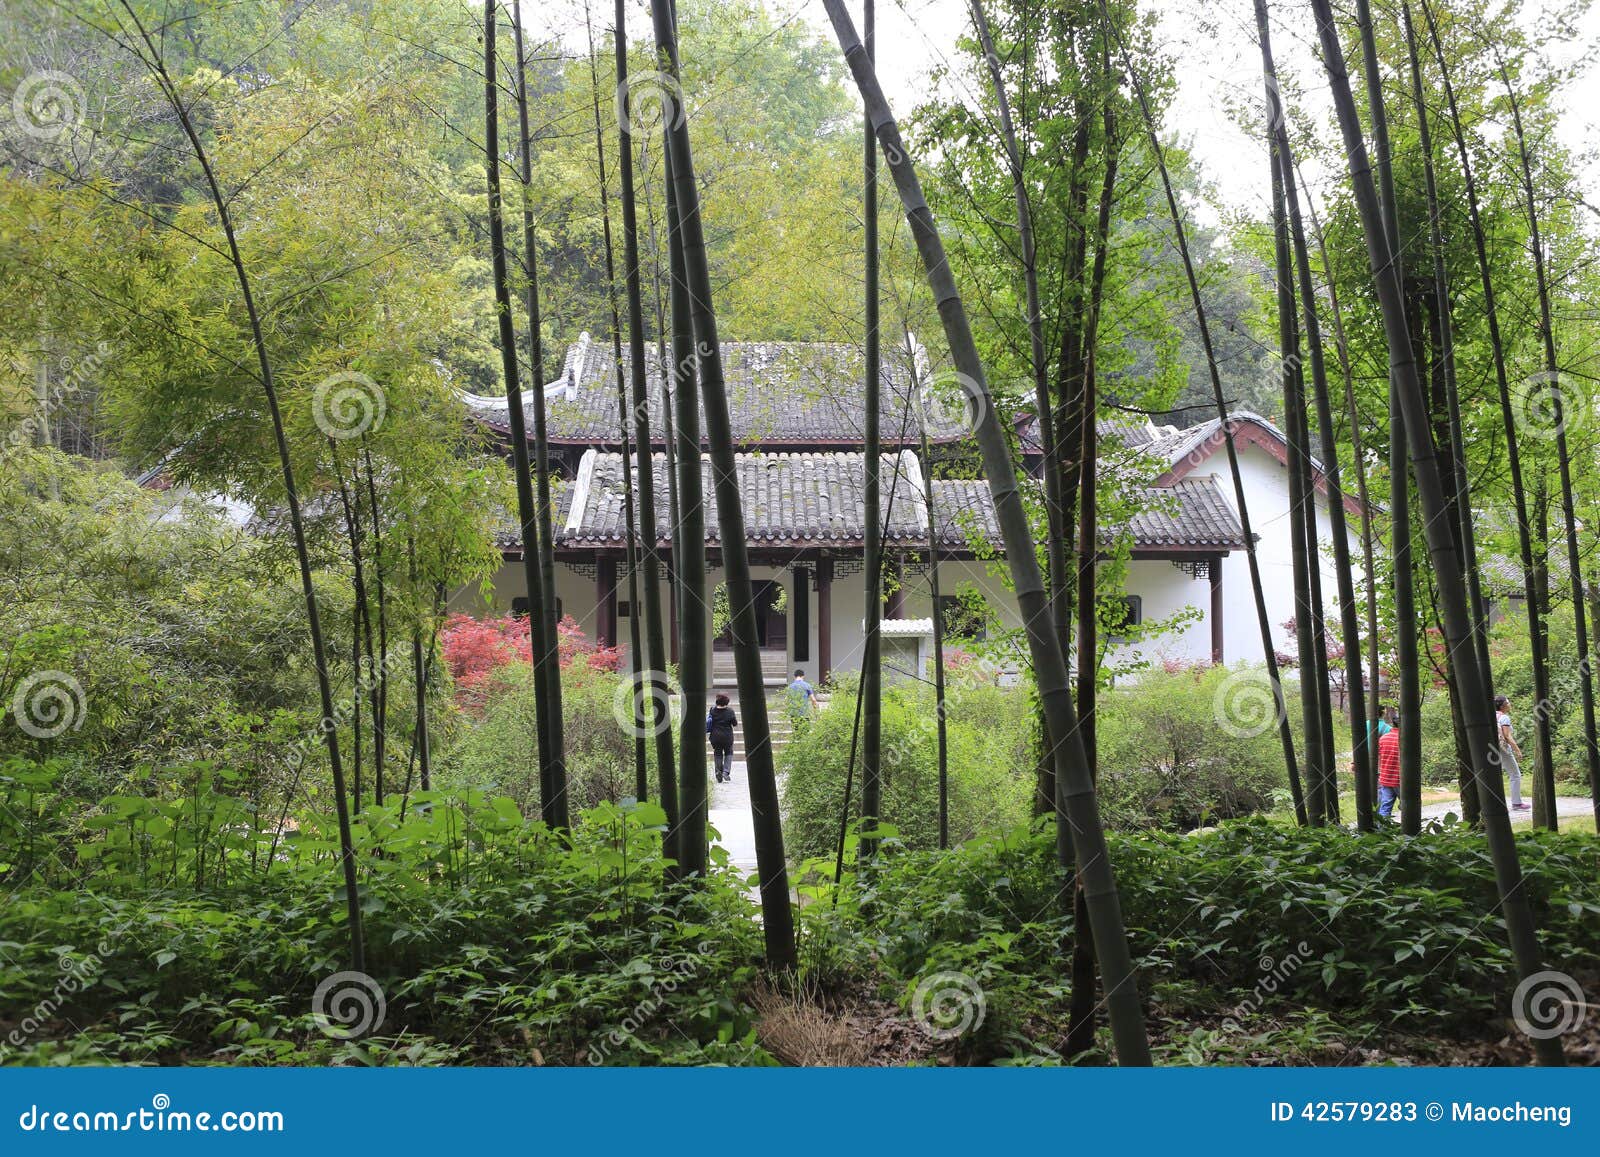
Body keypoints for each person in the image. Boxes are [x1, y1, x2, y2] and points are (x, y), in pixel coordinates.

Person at [1495, 694, 1530, 811]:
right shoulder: (1504, 718)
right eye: (1508, 702)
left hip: (1492, 749)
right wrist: (1518, 751)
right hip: (1503, 749)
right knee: (1515, 775)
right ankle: (1516, 803)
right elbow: (1507, 736)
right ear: (1503, 705)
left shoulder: (1493, 716)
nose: (1510, 704)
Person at [707, 693, 738, 783]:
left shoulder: (712, 710)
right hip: (727, 736)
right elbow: (735, 724)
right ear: (727, 702)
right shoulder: (730, 711)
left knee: (717, 753)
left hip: (715, 736)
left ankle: (718, 773)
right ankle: (725, 772)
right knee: (729, 752)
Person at [1377, 723, 1401, 821]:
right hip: (1401, 780)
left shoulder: (1383, 738)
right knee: (1409, 807)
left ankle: (1383, 832)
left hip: (1386, 778)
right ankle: (1410, 832)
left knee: (1385, 808)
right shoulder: (1405, 739)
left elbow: (1379, 757)